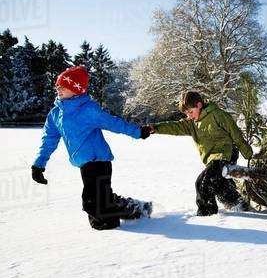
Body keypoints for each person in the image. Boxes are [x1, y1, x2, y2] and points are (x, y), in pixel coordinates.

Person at [31, 65, 152, 230]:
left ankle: (114, 226)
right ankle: (135, 209)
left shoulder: (88, 109)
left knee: (93, 202)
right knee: (98, 205)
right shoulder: (55, 114)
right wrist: (39, 164)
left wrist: (138, 132)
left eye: (63, 86)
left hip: (99, 160)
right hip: (84, 164)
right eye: (57, 86)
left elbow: (113, 123)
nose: (58, 89)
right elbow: (49, 140)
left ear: (76, 89)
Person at [146, 91, 253, 216]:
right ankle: (238, 204)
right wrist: (155, 128)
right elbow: (174, 127)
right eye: (186, 113)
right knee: (219, 184)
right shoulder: (191, 123)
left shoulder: (218, 115)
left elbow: (235, 134)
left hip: (225, 154)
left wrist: (247, 152)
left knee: (203, 183)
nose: (189, 116)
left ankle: (206, 215)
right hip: (211, 159)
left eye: (191, 112)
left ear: (199, 105)